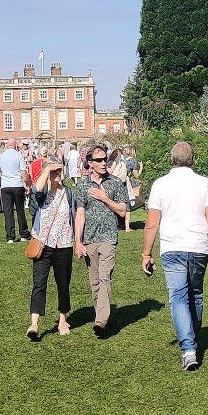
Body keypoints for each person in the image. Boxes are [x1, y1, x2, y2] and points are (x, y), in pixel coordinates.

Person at [141, 141, 208, 371]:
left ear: (172, 159)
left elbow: (151, 224)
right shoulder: (204, 183)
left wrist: (146, 254)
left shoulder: (160, 184)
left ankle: (188, 348)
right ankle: (193, 340)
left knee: (178, 297)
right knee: (196, 295)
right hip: (198, 247)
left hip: (172, 247)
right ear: (192, 159)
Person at [73, 144, 130, 337]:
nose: (103, 162)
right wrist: (77, 241)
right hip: (89, 239)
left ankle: (100, 320)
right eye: (99, 160)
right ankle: (102, 316)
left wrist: (105, 198)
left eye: (105, 159)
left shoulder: (114, 183)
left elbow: (122, 210)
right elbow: (80, 214)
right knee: (95, 282)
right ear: (90, 163)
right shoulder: (82, 186)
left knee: (105, 278)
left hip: (108, 238)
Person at [27, 162, 75, 340]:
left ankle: (63, 319)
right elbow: (35, 189)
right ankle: (34, 323)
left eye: (59, 172)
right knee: (39, 283)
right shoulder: (43, 193)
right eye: (54, 173)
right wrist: (48, 168)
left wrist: (77, 240)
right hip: (43, 244)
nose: (57, 175)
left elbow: (74, 215)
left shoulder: (68, 193)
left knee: (63, 284)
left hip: (63, 244)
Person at [0, 139, 30, 243]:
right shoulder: (18, 156)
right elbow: (24, 173)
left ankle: (10, 236)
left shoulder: (0, 156)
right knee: (20, 210)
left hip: (5, 186)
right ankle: (24, 234)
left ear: (7, 145)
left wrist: (0, 184)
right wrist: (27, 184)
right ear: (15, 145)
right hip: (17, 185)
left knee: (8, 212)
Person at [107, 149, 133, 231]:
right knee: (126, 204)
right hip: (122, 183)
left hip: (114, 184)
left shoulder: (109, 162)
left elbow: (110, 171)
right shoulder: (120, 160)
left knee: (114, 204)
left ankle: (117, 225)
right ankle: (127, 227)